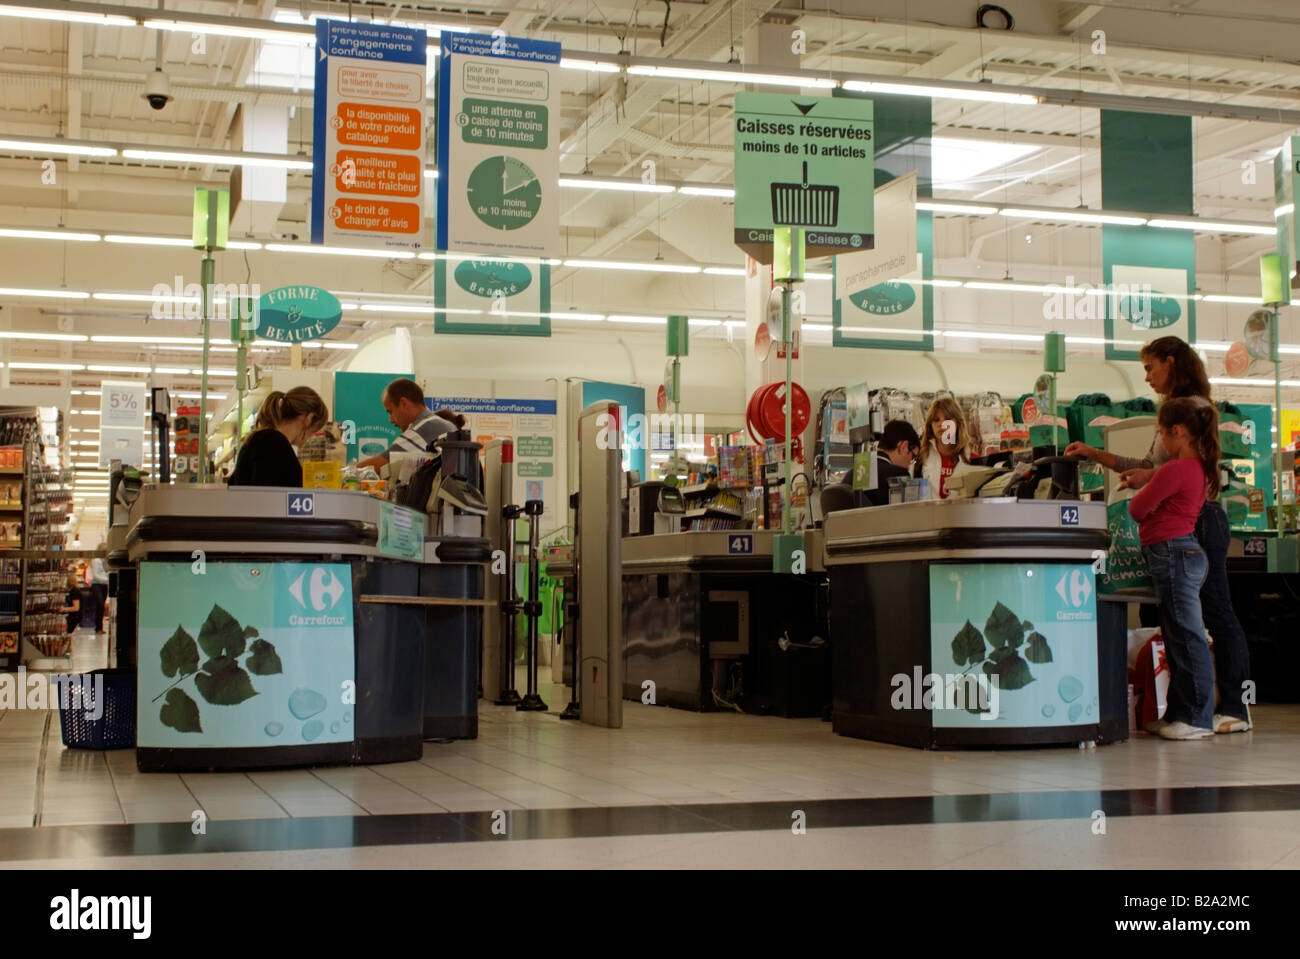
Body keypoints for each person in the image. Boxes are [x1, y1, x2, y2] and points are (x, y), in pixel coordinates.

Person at [1065, 336, 1253, 734]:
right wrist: (1098, 455)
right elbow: (1153, 465)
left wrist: (1151, 480)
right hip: (1185, 522)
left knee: (1210, 616)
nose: (1147, 377)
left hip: (1197, 521)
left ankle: (1230, 706)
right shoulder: (1177, 415)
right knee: (1178, 620)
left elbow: (1175, 472)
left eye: (1150, 368)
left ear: (1171, 362)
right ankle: (1186, 710)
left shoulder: (1192, 412)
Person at [1127, 398, 1221, 740]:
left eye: (1162, 434)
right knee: (1176, 635)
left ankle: (1196, 717)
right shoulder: (1198, 469)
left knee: (1186, 634)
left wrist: (1147, 493)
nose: (1161, 442)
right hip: (1181, 552)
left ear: (1177, 432)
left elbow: (1137, 509)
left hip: (1173, 553)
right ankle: (1179, 713)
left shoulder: (1175, 470)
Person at [356, 379, 463, 476]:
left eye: (391, 412)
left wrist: (347, 472)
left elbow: (376, 467)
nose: (391, 420)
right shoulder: (442, 423)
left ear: (403, 404)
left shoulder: (424, 427)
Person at [228, 387, 329, 488]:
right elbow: (267, 494)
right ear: (309, 418)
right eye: (313, 432)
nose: (309, 438)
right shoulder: (273, 442)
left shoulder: (260, 440)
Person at [918, 396, 972, 500]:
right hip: (929, 515)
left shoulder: (972, 458)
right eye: (936, 420)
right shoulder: (920, 459)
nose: (942, 424)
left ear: (958, 423)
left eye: (948, 419)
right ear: (930, 425)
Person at [868, 419, 920, 506]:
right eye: (912, 457)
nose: (909, 466)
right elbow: (906, 515)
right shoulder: (898, 475)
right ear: (903, 447)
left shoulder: (854, 472)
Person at [90, 556, 109, 634]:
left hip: (104, 585)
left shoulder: (105, 560)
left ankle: (99, 628)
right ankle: (98, 627)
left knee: (101, 607)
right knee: (100, 605)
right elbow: (95, 575)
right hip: (97, 585)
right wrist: (107, 579)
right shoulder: (96, 560)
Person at [60, 571, 82, 636]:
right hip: (73, 617)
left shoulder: (74, 591)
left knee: (69, 635)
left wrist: (64, 609)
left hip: (74, 617)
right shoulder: (73, 590)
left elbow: (76, 608)